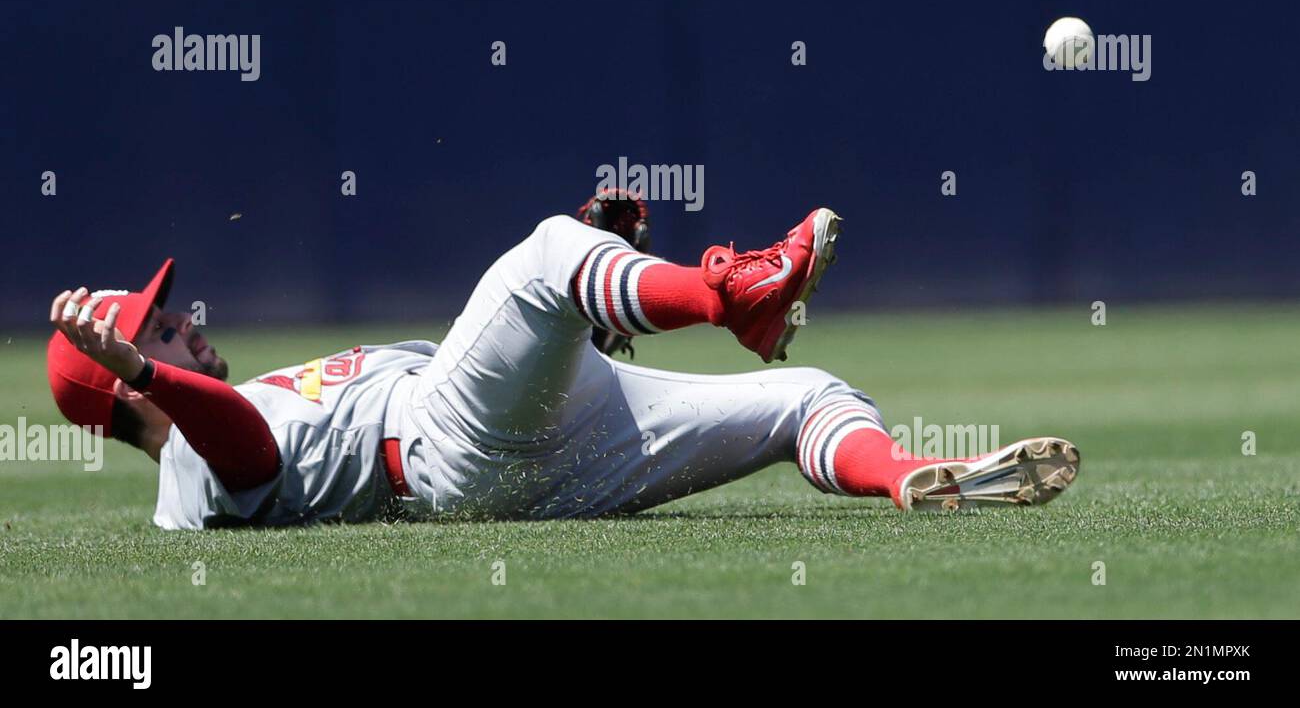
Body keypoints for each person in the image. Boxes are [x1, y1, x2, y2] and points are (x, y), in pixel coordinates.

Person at [46, 202, 1079, 529]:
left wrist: (591, 301)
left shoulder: (222, 405)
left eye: (166, 317)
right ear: (122, 378)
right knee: (546, 252)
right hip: (442, 451)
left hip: (533, 457)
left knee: (805, 398)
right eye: (158, 326)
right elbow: (243, 443)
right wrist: (154, 374)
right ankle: (734, 295)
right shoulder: (190, 464)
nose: (180, 321)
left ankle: (904, 477)